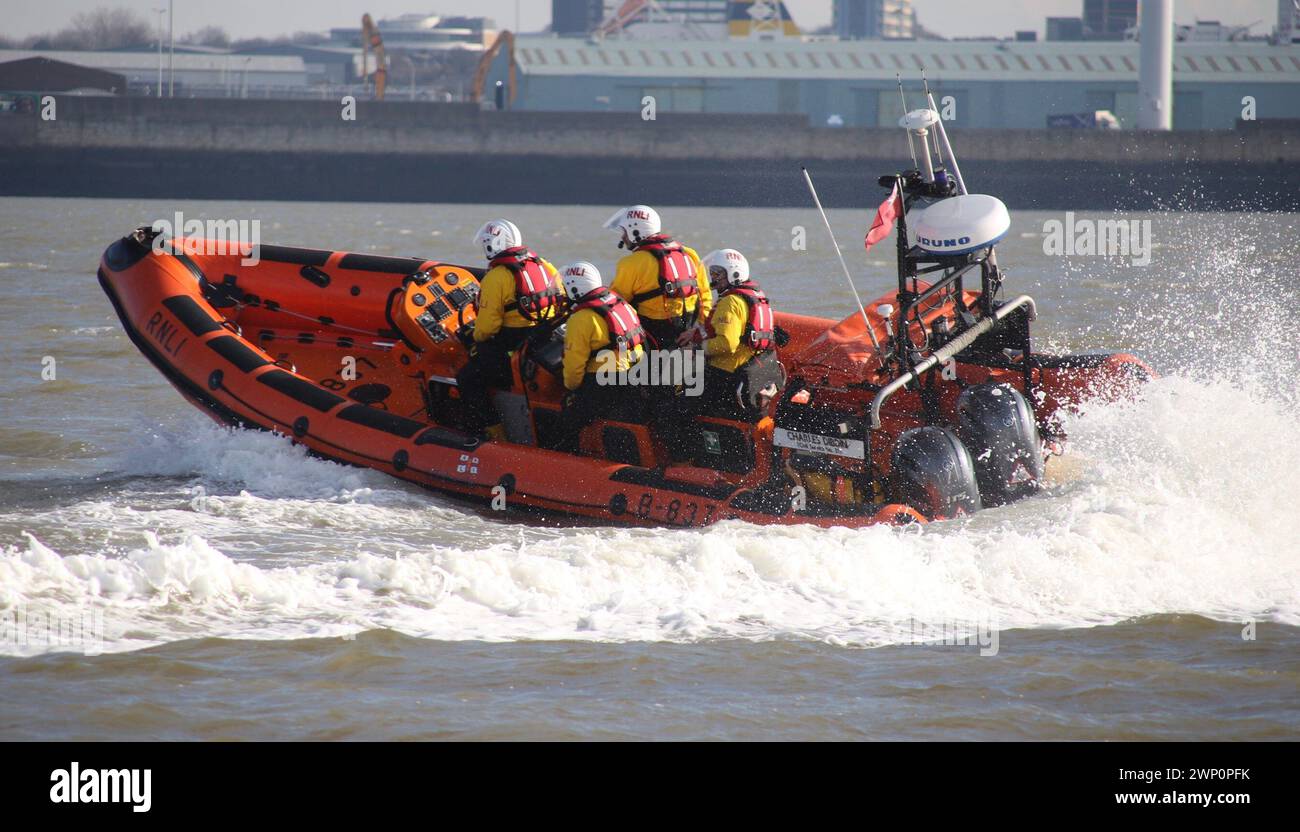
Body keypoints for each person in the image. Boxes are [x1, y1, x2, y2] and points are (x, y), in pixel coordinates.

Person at [456, 219, 562, 441]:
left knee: (468, 378)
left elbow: (487, 327)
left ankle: (491, 432)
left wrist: (474, 338)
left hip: (513, 347)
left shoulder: (496, 277)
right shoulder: (545, 265)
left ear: (491, 243)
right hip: (547, 341)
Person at [550, 261, 646, 454]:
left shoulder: (580, 319)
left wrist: (571, 390)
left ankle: (566, 461)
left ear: (574, 288)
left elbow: (573, 369)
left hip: (605, 382)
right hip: (635, 375)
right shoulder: (620, 303)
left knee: (566, 419)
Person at [677, 248, 780, 415]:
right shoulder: (753, 296)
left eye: (718, 273)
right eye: (712, 273)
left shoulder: (730, 302)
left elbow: (727, 343)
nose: (713, 278)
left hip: (726, 376)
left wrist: (695, 349)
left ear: (734, 273)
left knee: (676, 404)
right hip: (747, 369)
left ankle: (687, 441)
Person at [604, 205, 712, 348]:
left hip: (653, 337)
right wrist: (699, 331)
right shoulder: (690, 254)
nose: (623, 237)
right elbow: (704, 296)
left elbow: (614, 305)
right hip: (688, 334)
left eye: (624, 231)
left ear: (635, 231)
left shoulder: (630, 263)